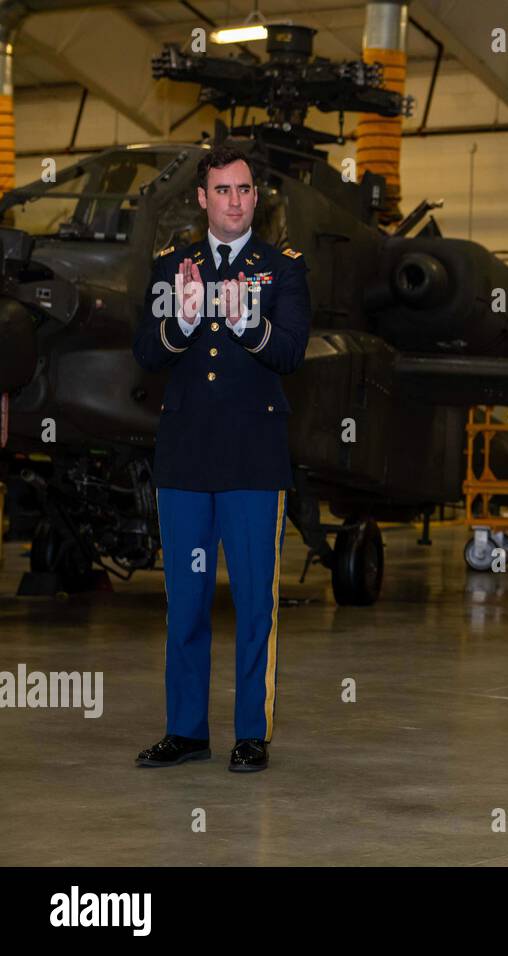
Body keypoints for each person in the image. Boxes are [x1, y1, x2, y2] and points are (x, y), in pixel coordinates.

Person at [132, 143, 310, 773]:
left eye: (244, 189)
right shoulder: (171, 267)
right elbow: (146, 354)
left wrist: (246, 325)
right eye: (223, 190)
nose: (235, 201)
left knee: (255, 603)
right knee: (185, 601)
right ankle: (185, 731)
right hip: (185, 457)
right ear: (202, 198)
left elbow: (291, 353)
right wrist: (181, 322)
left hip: (253, 460)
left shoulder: (282, 269)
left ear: (255, 198)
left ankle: (251, 733)